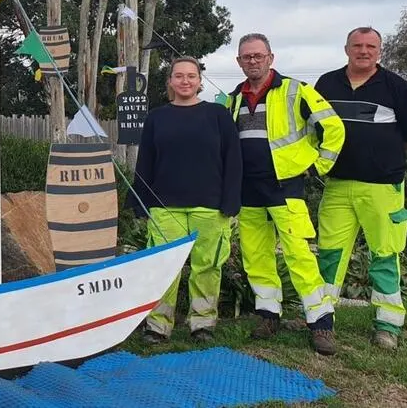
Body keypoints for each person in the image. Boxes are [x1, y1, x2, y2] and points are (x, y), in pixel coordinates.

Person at [225, 33, 344, 355]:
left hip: (285, 186)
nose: (253, 61)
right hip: (248, 189)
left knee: (299, 254)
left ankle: (321, 323)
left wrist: (319, 166)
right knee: (256, 256)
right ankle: (268, 315)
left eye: (258, 55)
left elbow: (333, 128)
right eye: (246, 57)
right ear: (239, 62)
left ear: (270, 58)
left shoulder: (296, 90)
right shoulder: (232, 99)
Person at [315, 26, 407, 350]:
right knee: (330, 255)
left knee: (384, 255)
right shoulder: (327, 83)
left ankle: (387, 324)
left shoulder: (396, 86)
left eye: (370, 46)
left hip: (382, 187)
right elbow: (313, 126)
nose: (363, 51)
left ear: (379, 50)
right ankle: (322, 318)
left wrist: (382, 156)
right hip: (337, 185)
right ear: (346, 48)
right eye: (357, 45)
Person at [125, 56, 241, 343]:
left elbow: (233, 161)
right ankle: (158, 325)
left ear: (200, 81)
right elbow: (146, 162)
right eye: (179, 76)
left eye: (191, 76)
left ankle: (202, 324)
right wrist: (141, 200)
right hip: (165, 207)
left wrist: (231, 201)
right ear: (170, 82)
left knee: (207, 267)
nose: (185, 81)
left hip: (210, 206)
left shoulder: (218, 115)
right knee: (164, 268)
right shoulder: (157, 117)